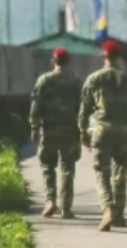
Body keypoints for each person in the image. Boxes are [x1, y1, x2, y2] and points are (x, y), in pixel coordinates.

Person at [78, 39, 127, 232]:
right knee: (121, 173)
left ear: (104, 57)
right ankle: (119, 214)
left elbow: (84, 108)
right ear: (118, 58)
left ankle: (107, 209)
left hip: (101, 132)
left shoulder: (94, 79)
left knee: (102, 173)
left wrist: (82, 130)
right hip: (123, 133)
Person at [29, 47, 83, 218]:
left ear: (53, 61)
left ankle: (50, 201)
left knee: (47, 166)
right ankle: (66, 207)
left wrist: (34, 127)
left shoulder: (44, 80)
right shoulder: (75, 82)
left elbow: (36, 105)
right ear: (68, 61)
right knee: (68, 169)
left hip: (49, 131)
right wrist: (83, 130)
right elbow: (82, 108)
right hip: (70, 132)